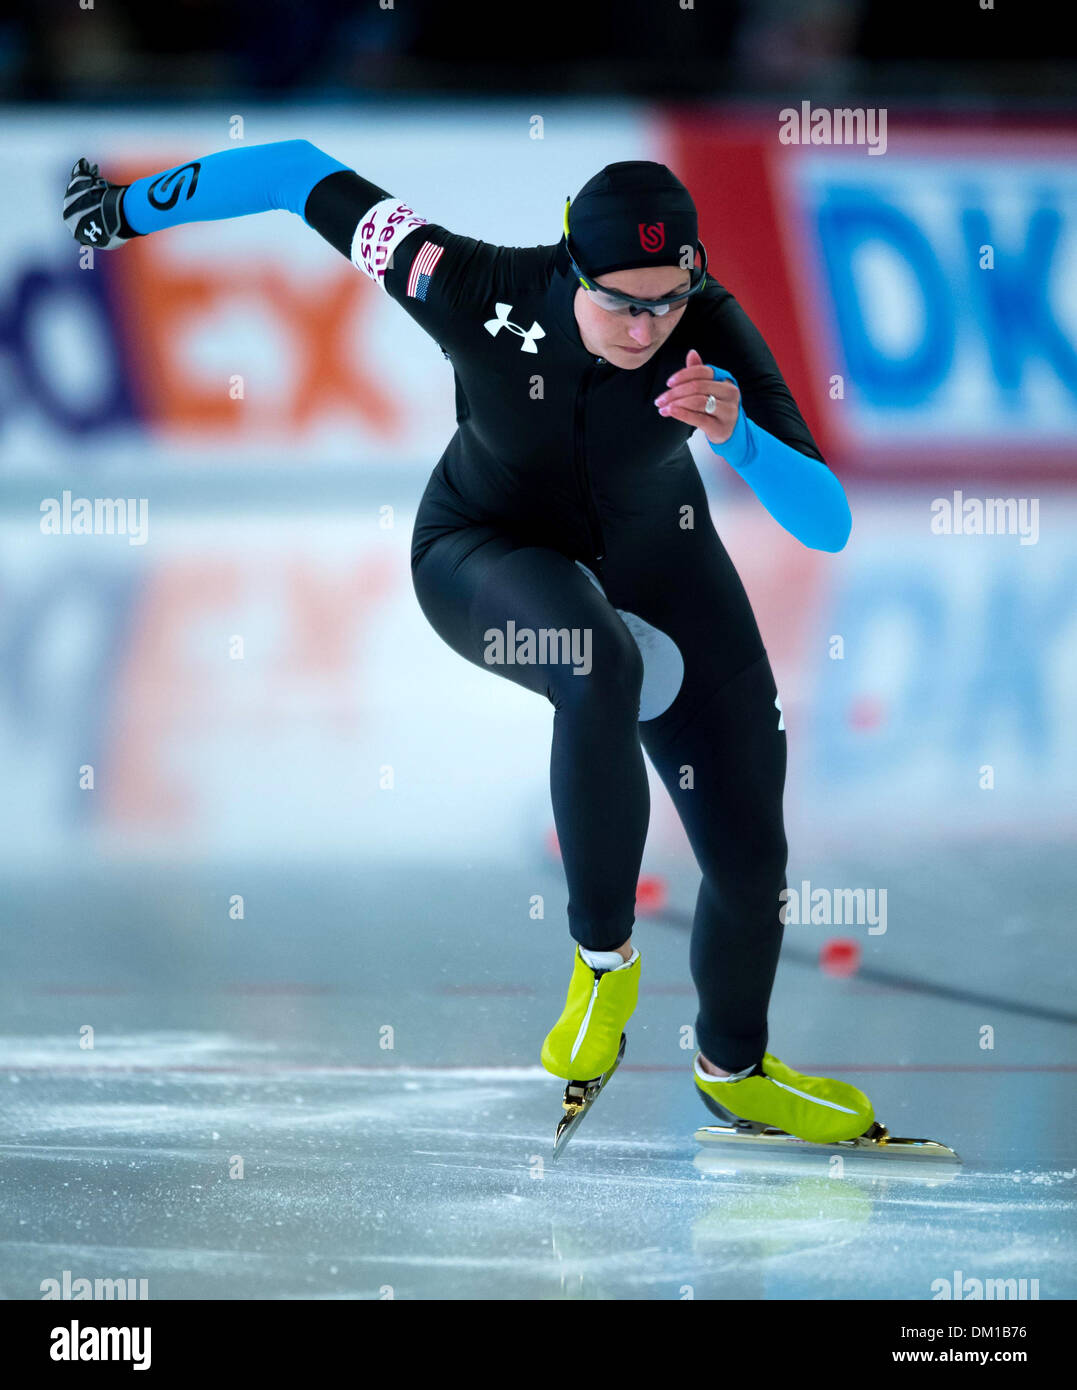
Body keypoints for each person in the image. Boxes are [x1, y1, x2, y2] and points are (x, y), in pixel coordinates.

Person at [64, 143, 874, 1143]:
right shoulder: (466, 281)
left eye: (667, 301)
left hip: (662, 564)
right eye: (623, 302)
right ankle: (603, 969)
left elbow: (829, 523)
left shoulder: (710, 331)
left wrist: (739, 435)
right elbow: (292, 173)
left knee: (752, 861)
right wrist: (126, 212)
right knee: (596, 666)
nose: (647, 326)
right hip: (482, 551)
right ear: (574, 267)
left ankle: (734, 1068)